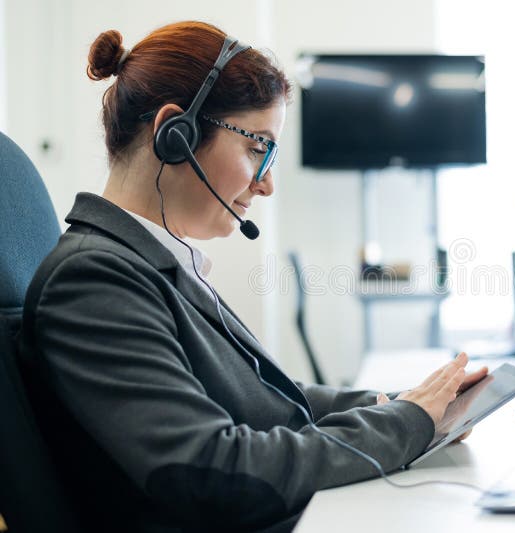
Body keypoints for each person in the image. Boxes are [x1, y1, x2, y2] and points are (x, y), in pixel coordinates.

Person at [18, 20, 487, 533]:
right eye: (257, 147)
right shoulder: (92, 280)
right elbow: (213, 472)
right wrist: (405, 425)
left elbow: (269, 399)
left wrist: (405, 404)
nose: (266, 185)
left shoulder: (153, 263)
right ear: (175, 133)